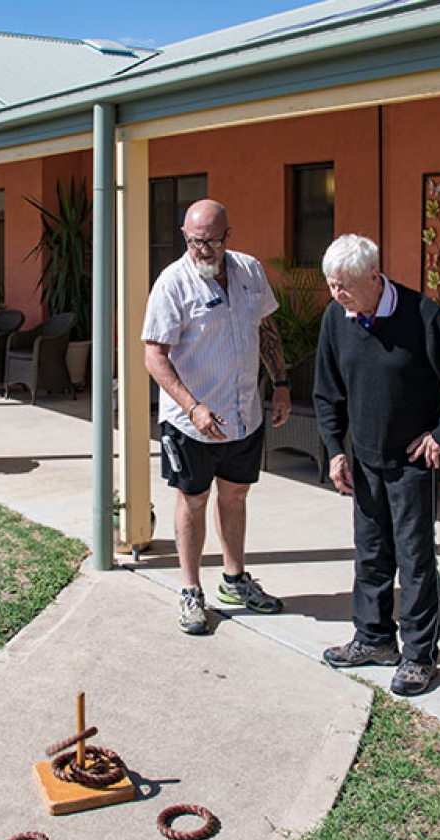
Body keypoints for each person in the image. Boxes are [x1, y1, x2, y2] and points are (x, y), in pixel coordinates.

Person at [313, 234, 440, 696]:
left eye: (345, 286)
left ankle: (418, 656)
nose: (336, 296)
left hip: (412, 461)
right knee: (371, 554)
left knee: (415, 560)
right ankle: (374, 639)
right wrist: (336, 449)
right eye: (331, 285)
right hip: (365, 460)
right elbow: (327, 391)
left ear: (375, 276)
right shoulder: (337, 318)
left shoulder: (422, 315)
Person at [142, 199, 292, 635]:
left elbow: (266, 328)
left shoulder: (248, 271)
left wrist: (280, 383)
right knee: (193, 499)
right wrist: (192, 406)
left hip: (243, 413)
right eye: (193, 241)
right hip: (191, 421)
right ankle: (190, 591)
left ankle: (234, 578)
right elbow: (154, 354)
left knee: (236, 495)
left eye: (209, 241)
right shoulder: (172, 283)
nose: (201, 250)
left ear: (228, 236)